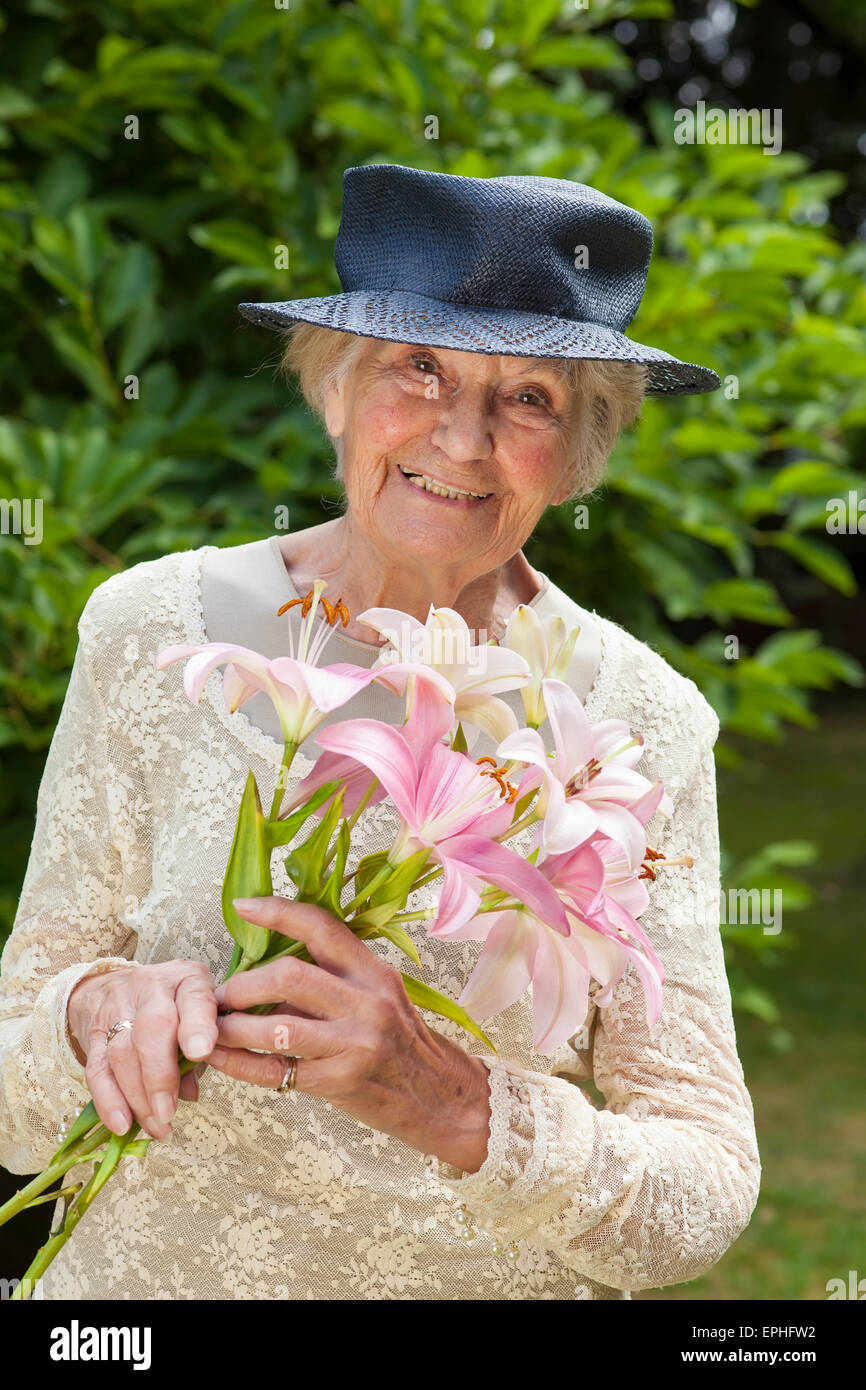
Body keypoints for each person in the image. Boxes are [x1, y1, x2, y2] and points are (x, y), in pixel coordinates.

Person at [0, 163, 760, 1300]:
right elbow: (13, 1086)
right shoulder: (151, 629)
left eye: (530, 397)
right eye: (419, 367)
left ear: (580, 449)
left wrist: (452, 1102)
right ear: (336, 388)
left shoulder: (635, 724)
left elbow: (701, 1184)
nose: (460, 438)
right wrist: (93, 1015)